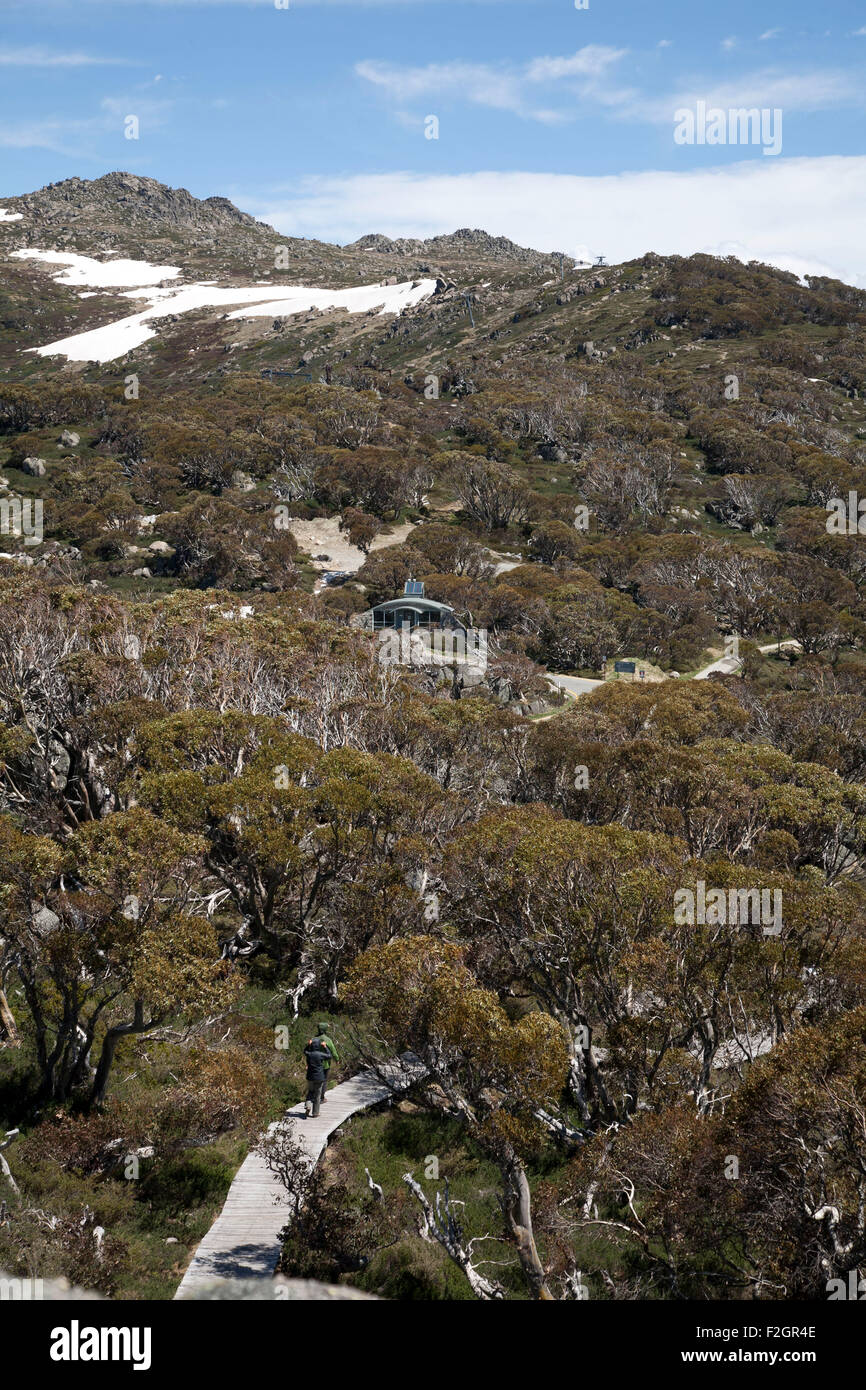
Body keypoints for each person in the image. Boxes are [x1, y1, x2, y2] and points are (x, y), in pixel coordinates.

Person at [303, 1037, 330, 1118]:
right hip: (319, 1077)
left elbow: (304, 1051)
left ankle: (308, 1105)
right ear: (318, 1045)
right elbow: (329, 1055)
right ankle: (315, 1113)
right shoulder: (321, 1055)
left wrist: (308, 1045)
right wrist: (325, 1047)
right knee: (317, 1095)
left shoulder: (309, 1054)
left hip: (310, 1077)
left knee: (310, 1092)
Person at [315, 1022, 339, 1101]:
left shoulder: (314, 1039)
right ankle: (322, 1097)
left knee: (315, 1079)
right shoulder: (328, 1040)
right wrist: (337, 1059)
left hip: (315, 1063)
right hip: (325, 1064)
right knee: (324, 1080)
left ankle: (315, 1095)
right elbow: (333, 1051)